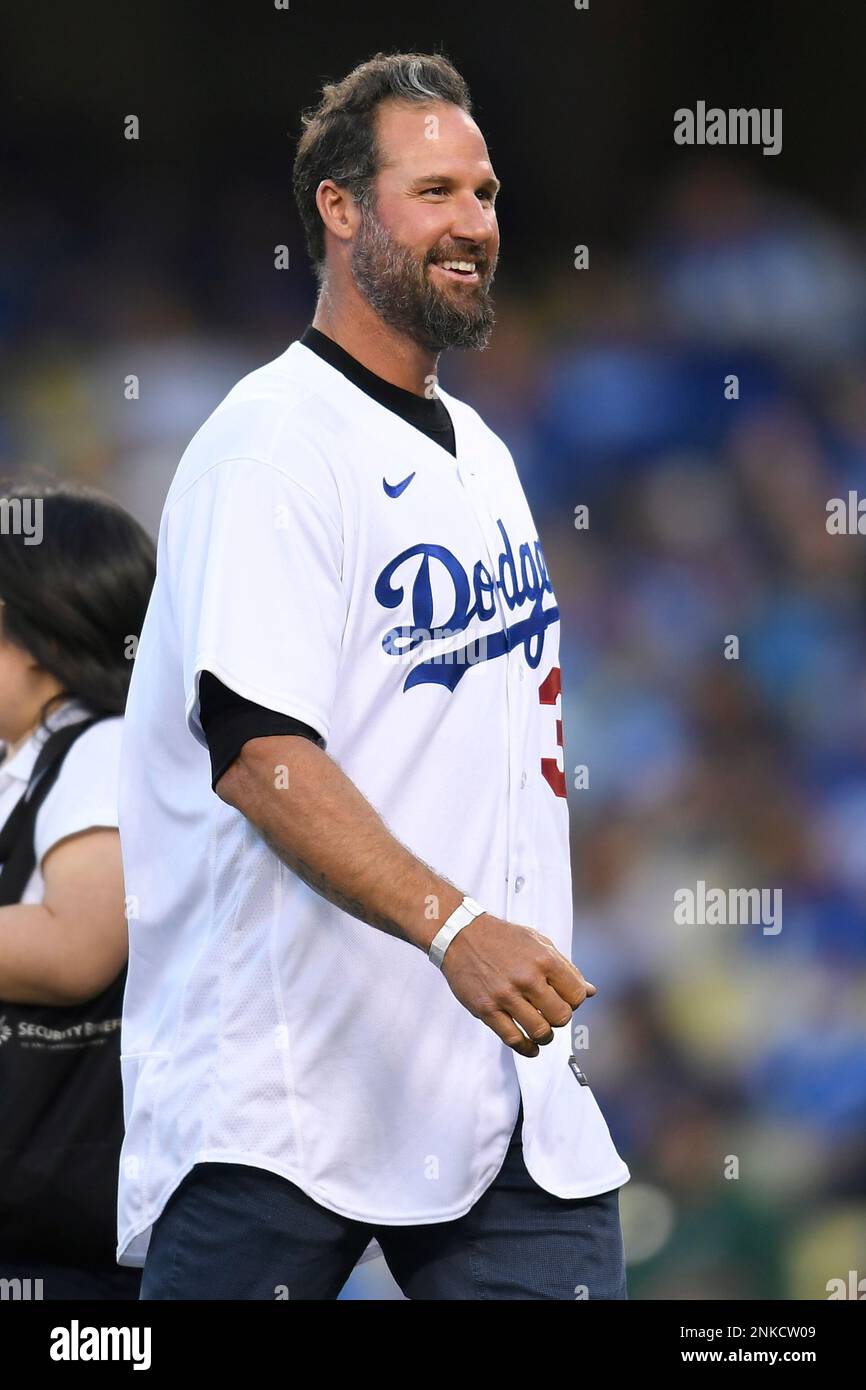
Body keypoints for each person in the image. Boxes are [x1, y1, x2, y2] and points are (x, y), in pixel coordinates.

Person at [118, 50, 630, 1301]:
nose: (474, 225)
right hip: (294, 1078)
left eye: (488, 192)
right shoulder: (271, 446)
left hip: (505, 1084)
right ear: (340, 211)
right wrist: (454, 927)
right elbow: (256, 750)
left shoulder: (486, 456)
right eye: (435, 191)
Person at [0, 478, 155, 1299]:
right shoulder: (32, 764)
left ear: (34, 638)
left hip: (72, 1246)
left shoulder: (103, 747)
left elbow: (77, 946)